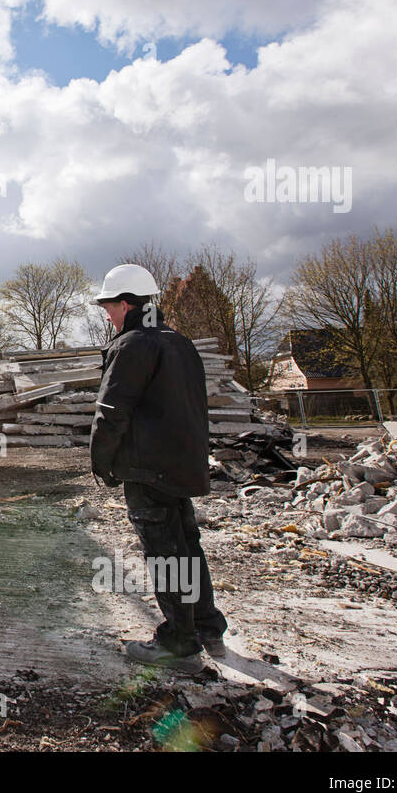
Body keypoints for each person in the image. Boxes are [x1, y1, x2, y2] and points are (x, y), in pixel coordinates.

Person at [90, 264, 228, 672]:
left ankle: (179, 645)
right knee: (186, 546)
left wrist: (103, 463)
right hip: (179, 466)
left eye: (109, 306)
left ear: (127, 302)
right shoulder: (180, 344)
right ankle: (206, 626)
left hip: (147, 468)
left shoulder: (132, 345)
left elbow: (112, 410)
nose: (108, 315)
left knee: (165, 554)